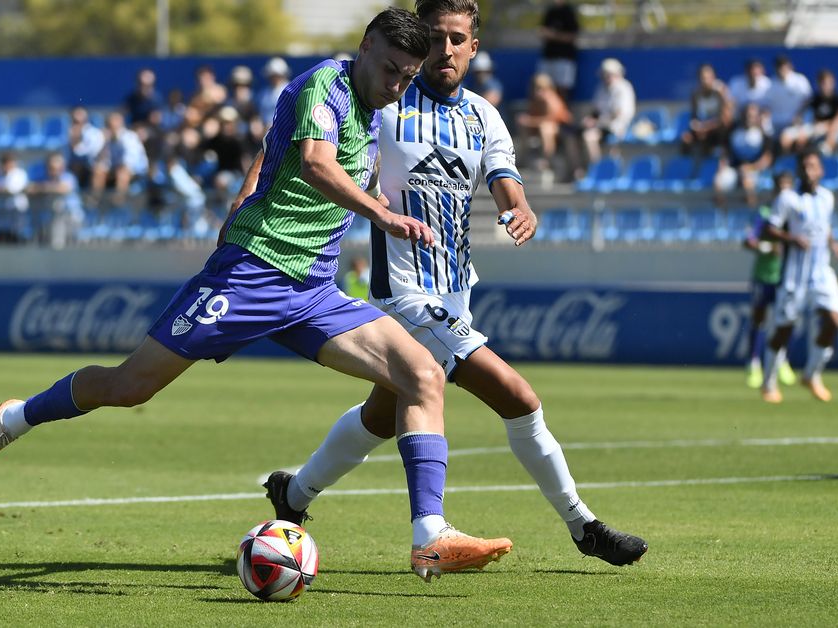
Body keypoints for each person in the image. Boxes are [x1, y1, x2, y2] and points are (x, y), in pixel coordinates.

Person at [0, 7, 511, 582]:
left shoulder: (378, 110)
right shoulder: (328, 85)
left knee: (421, 373)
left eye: (406, 77)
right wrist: (380, 215)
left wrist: (245, 194)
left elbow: (273, 151)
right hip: (251, 273)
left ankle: (430, 537)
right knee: (127, 386)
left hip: (313, 289)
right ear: (365, 46)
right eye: (390, 69)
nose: (395, 85)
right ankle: (14, 418)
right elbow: (315, 164)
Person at [261, 0, 647, 569]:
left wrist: (522, 210)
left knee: (381, 415)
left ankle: (292, 496)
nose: (445, 49)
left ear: (473, 47)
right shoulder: (384, 104)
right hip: (402, 294)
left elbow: (506, 183)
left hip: (455, 289)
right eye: (436, 37)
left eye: (457, 39)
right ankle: (581, 524)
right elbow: (312, 151)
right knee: (517, 396)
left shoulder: (484, 117)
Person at [759, 150, 838, 404]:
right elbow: (768, 229)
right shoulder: (788, 198)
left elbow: (824, 226)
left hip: (821, 273)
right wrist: (791, 239)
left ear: (821, 171)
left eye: (813, 166)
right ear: (798, 171)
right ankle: (768, 382)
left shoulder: (827, 198)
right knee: (784, 330)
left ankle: (812, 374)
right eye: (804, 166)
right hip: (795, 275)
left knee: (834, 321)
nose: (808, 171)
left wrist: (833, 243)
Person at [742, 171, 796, 389]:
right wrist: (768, 247)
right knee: (759, 319)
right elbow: (748, 242)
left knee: (785, 320)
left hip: (787, 276)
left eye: (787, 187)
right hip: (764, 275)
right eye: (780, 187)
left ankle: (782, 361)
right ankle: (754, 364)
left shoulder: (795, 215)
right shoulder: (764, 213)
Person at [517, 73, 573, 183]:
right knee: (523, 124)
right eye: (536, 87)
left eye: (541, 88)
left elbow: (552, 119)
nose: (538, 91)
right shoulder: (534, 101)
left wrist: (530, 121)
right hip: (541, 128)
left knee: (545, 128)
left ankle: (547, 159)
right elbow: (533, 117)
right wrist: (527, 122)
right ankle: (522, 157)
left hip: (562, 129)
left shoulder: (551, 99)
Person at [715, 102, 773, 208]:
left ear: (757, 117)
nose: (748, 118)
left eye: (752, 116)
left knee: (747, 183)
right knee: (718, 182)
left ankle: (750, 212)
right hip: (734, 169)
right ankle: (722, 216)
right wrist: (722, 165)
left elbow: (767, 159)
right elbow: (725, 153)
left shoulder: (764, 135)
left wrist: (751, 167)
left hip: (754, 170)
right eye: (746, 115)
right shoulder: (732, 131)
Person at [582, 58, 636, 164]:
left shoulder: (623, 88)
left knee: (589, 137)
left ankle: (597, 169)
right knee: (574, 137)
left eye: (609, 74)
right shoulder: (601, 88)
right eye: (604, 74)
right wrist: (590, 119)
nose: (606, 77)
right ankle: (579, 170)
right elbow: (596, 110)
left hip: (618, 126)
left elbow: (618, 114)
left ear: (617, 74)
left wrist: (598, 121)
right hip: (602, 125)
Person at [780, 69, 838, 155]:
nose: (826, 86)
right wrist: (799, 120)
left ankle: (826, 150)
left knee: (835, 129)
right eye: (823, 83)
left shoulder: (837, 98)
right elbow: (806, 114)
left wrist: (826, 126)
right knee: (792, 136)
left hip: (832, 127)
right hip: (818, 126)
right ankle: (792, 157)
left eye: (829, 83)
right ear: (819, 84)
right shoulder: (815, 99)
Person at [27, 152, 84, 248]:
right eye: (51, 168)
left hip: (70, 218)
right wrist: (45, 187)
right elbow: (29, 188)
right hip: (50, 219)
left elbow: (63, 188)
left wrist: (43, 188)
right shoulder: (44, 178)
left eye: (58, 168)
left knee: (59, 206)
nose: (55, 171)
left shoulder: (68, 177)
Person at [92, 111, 149, 205]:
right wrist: (102, 142)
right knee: (98, 171)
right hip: (115, 169)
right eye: (109, 126)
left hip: (137, 172)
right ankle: (95, 202)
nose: (112, 129)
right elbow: (100, 160)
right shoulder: (106, 140)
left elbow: (129, 163)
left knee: (122, 173)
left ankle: (119, 202)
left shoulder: (130, 137)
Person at [680, 63, 732, 160]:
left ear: (713, 77)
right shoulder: (695, 94)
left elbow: (726, 119)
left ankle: (723, 161)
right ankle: (687, 169)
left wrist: (705, 127)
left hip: (718, 130)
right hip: (703, 129)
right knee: (686, 138)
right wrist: (697, 127)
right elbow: (694, 116)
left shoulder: (721, 91)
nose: (705, 81)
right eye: (702, 78)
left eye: (707, 77)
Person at [538, 0, 580, 103]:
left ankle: (561, 116)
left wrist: (554, 36)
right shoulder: (550, 12)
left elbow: (572, 36)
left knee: (562, 89)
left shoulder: (569, 12)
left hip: (564, 58)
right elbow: (542, 31)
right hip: (548, 57)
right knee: (544, 87)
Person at [762, 55, 811, 140]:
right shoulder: (771, 84)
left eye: (784, 66)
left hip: (796, 123)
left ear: (790, 66)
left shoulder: (800, 80)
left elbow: (808, 101)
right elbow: (767, 107)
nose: (782, 69)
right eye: (779, 66)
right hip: (776, 124)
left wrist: (799, 116)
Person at [0, 152, 29, 243]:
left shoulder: (19, 174)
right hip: (2, 211)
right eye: (4, 162)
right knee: (2, 236)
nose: (7, 165)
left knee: (15, 236)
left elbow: (11, 189)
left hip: (16, 211)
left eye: (9, 162)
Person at [64, 105, 105, 191]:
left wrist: (75, 141)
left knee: (98, 170)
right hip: (74, 167)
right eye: (75, 120)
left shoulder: (95, 133)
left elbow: (93, 154)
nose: (77, 122)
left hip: (92, 165)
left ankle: (94, 201)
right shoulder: (67, 134)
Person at [124, 67, 164, 132]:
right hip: (133, 130)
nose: (144, 88)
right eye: (141, 84)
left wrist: (138, 127)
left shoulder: (157, 99)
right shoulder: (131, 98)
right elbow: (122, 114)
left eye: (148, 85)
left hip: (153, 132)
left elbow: (155, 122)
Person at [258, 57, 292, 127]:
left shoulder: (290, 91)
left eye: (277, 75)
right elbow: (260, 114)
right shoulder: (264, 93)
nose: (274, 78)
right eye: (272, 75)